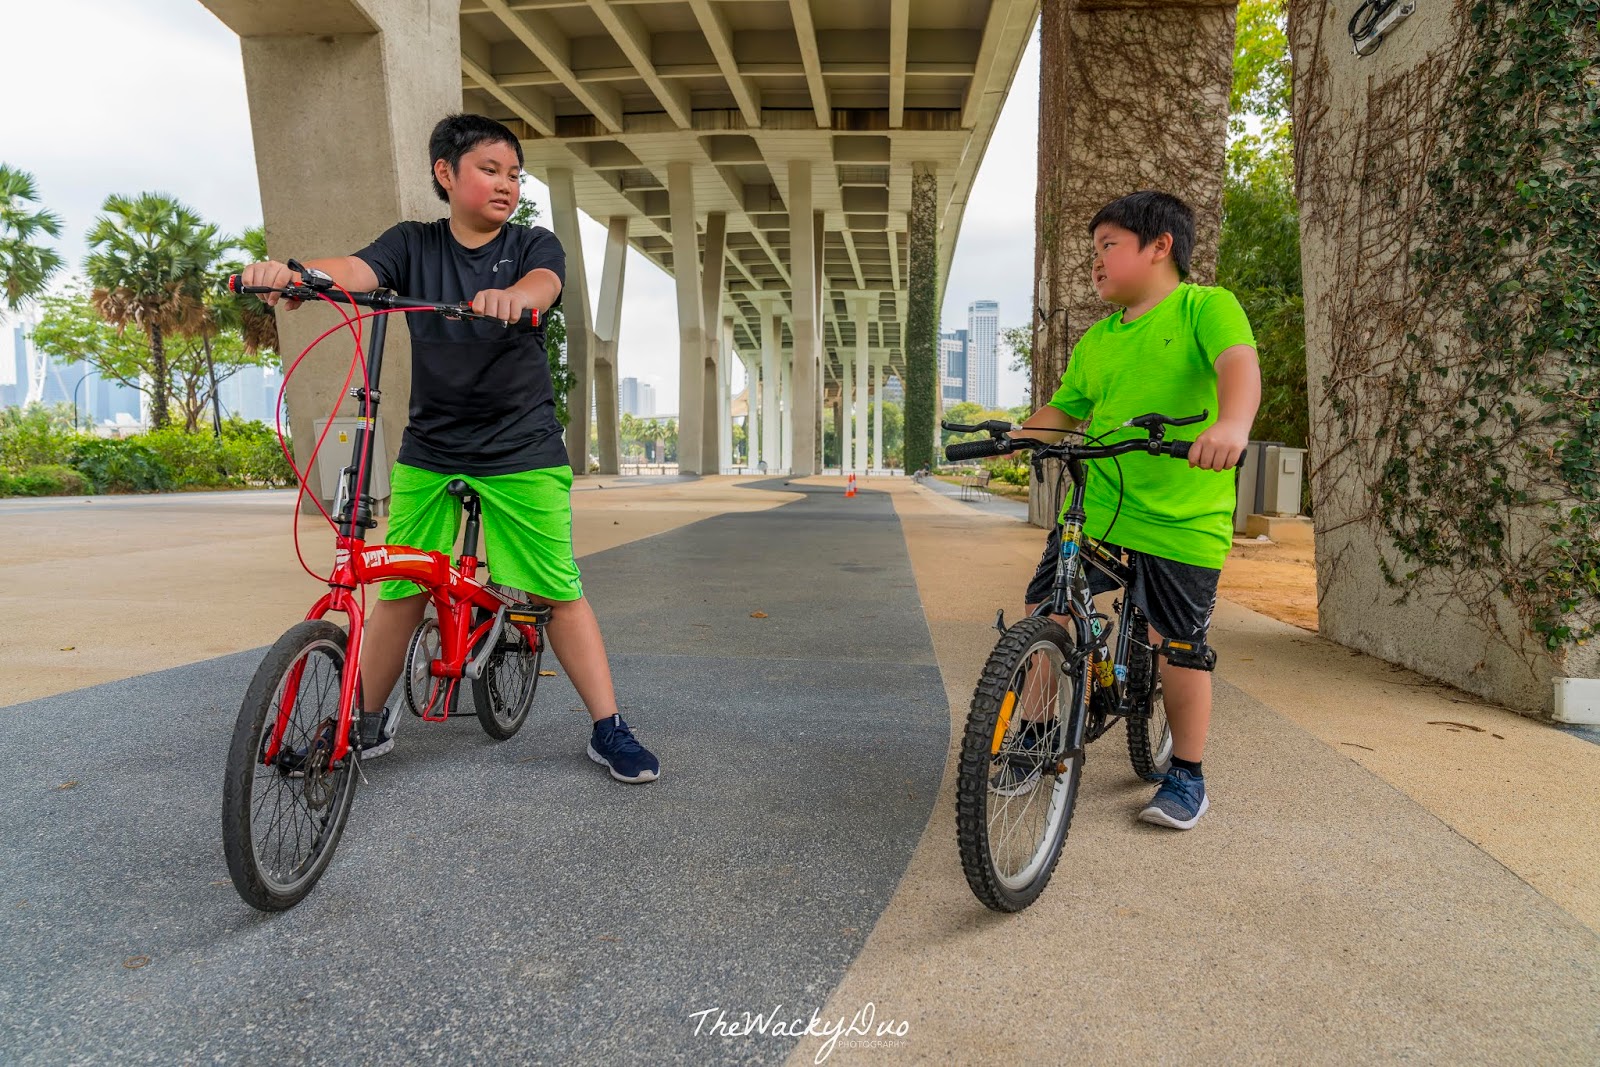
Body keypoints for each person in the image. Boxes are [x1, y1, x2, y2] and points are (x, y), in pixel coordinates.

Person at [240, 113, 659, 784]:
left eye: (514, 174)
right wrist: (291, 274)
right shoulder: (414, 244)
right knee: (403, 582)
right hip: (433, 445)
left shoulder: (532, 244)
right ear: (446, 173)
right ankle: (367, 721)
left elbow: (543, 289)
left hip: (520, 443)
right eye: (490, 170)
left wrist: (511, 299)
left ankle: (609, 727)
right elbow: (355, 268)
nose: (507, 184)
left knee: (554, 587)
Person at [1001, 190, 1258, 828]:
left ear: (1159, 246)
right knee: (1047, 614)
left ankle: (1187, 775)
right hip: (1102, 511)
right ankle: (1032, 739)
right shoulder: (1099, 340)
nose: (1096, 261)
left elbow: (1238, 366)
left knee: (1177, 646)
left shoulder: (1206, 307)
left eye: (1108, 245)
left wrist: (1231, 425)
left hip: (1181, 518)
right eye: (1095, 249)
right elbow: (1067, 407)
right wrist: (1013, 438)